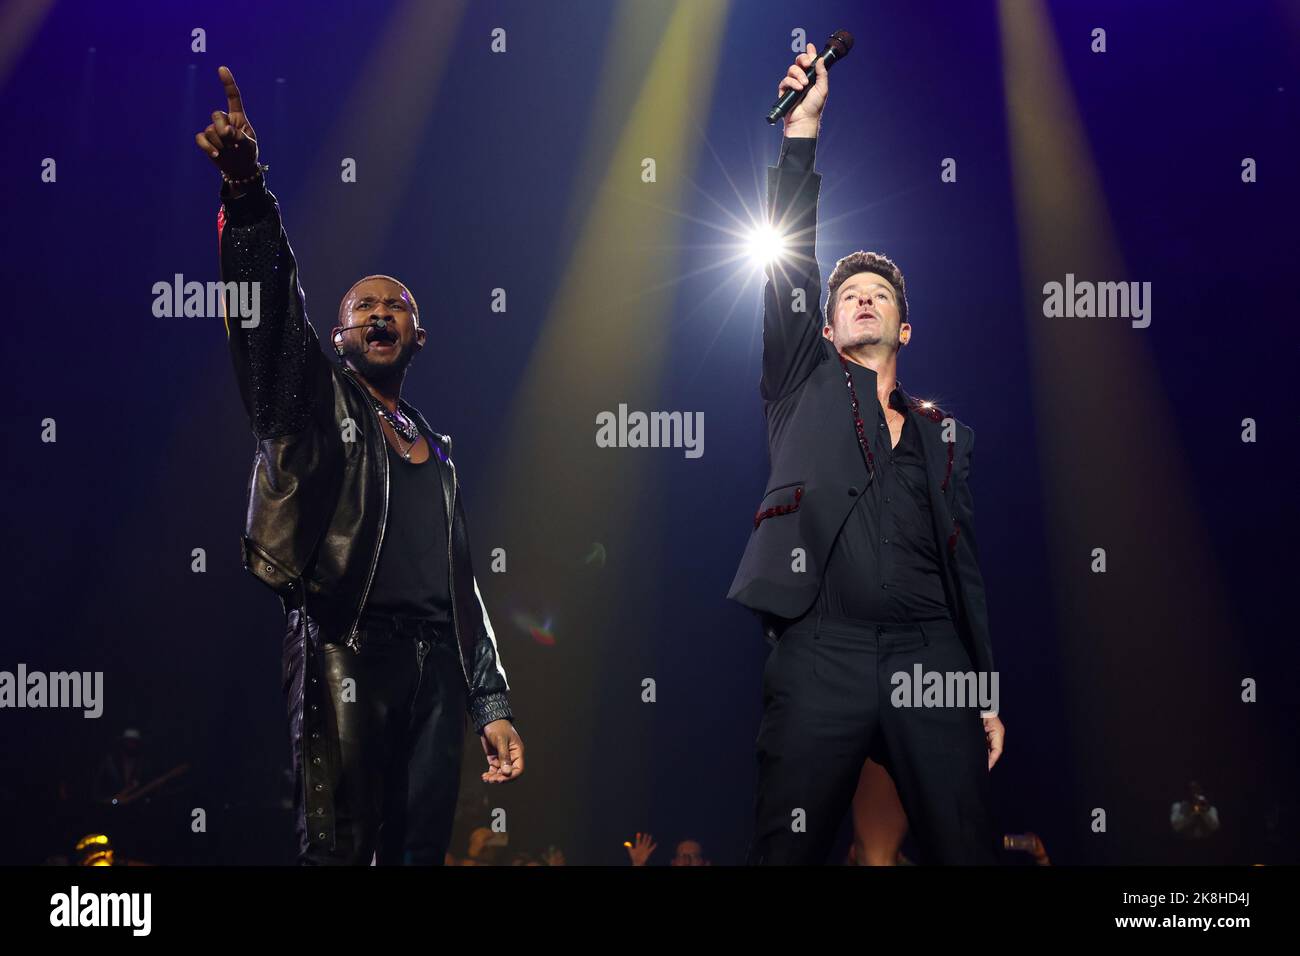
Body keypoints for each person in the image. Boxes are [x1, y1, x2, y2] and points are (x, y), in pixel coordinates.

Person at [197, 65, 524, 865]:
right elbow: (271, 315)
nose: (380, 313)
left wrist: (490, 701)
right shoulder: (310, 402)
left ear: (419, 336)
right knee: (338, 848)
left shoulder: (438, 452)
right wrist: (248, 198)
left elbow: (463, 587)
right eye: (362, 308)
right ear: (339, 337)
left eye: (396, 307)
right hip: (343, 644)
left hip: (435, 668)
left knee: (418, 853)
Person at [728, 44, 1005, 865]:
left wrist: (982, 684)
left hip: (930, 651)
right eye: (848, 294)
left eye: (879, 293)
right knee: (786, 848)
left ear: (903, 328)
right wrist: (802, 134)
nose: (862, 298)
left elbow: (966, 567)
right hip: (822, 646)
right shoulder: (799, 380)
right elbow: (788, 264)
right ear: (824, 324)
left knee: (967, 845)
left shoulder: (946, 435)